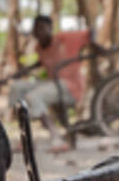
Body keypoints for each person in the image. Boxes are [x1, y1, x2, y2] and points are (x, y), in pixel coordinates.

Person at [8, 14, 90, 147]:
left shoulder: (64, 39)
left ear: (51, 28)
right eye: (36, 29)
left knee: (33, 97)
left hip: (71, 87)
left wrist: (97, 46)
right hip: (54, 84)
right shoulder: (39, 48)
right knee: (17, 87)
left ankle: (56, 137)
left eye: (42, 28)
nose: (38, 32)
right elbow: (41, 62)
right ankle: (24, 136)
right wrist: (24, 71)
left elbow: (90, 33)